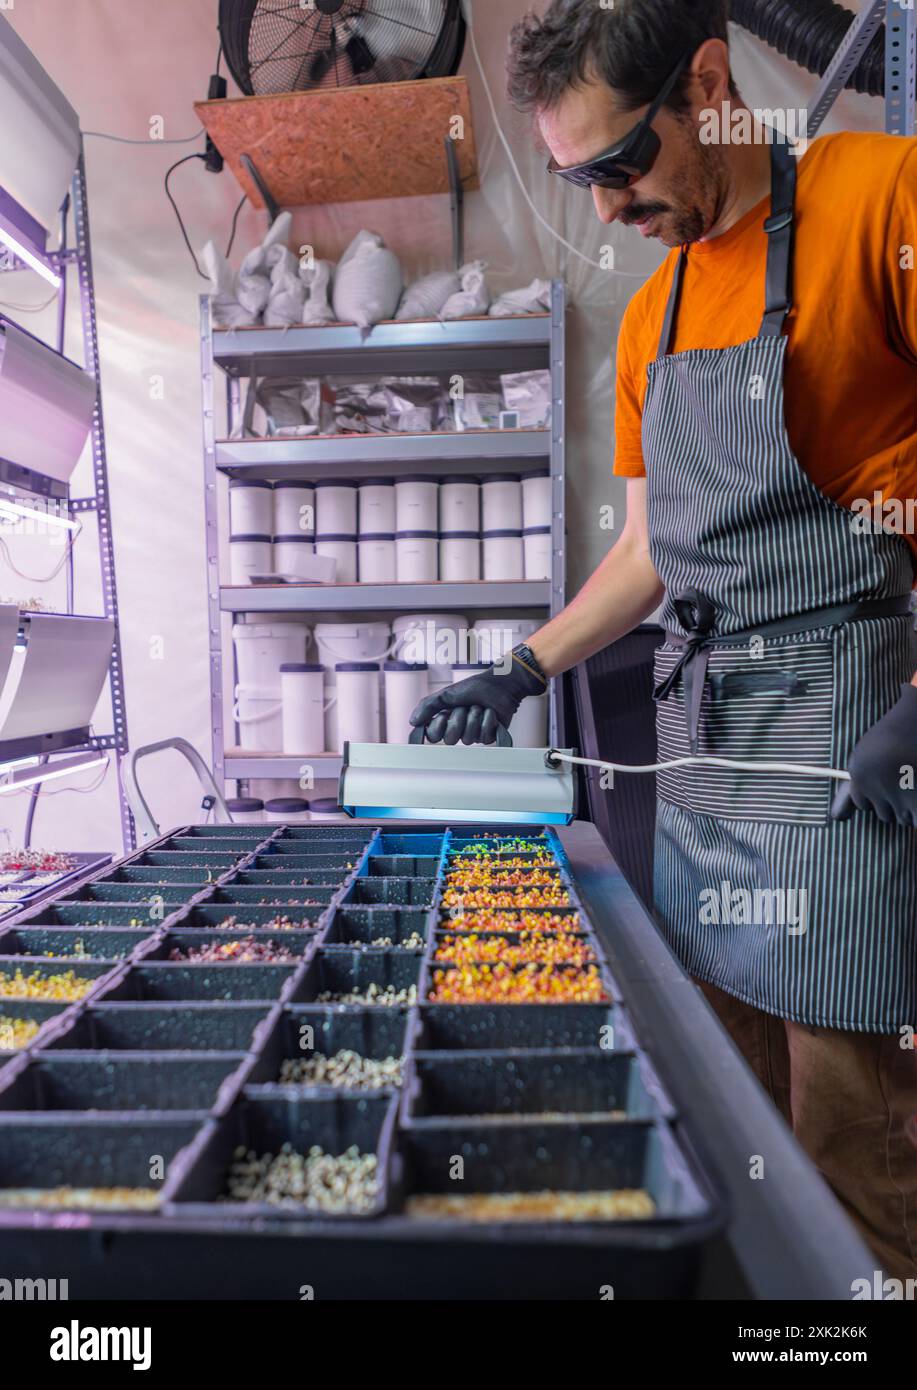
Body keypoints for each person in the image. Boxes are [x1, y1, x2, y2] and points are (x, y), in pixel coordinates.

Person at [410, 0, 917, 1281]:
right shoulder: (655, 319)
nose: (600, 211)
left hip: (851, 739)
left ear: (706, 85)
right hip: (708, 764)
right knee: (725, 1108)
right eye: (575, 181)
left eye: (617, 167)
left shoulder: (882, 198)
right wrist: (525, 662)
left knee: (853, 1137)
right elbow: (648, 550)